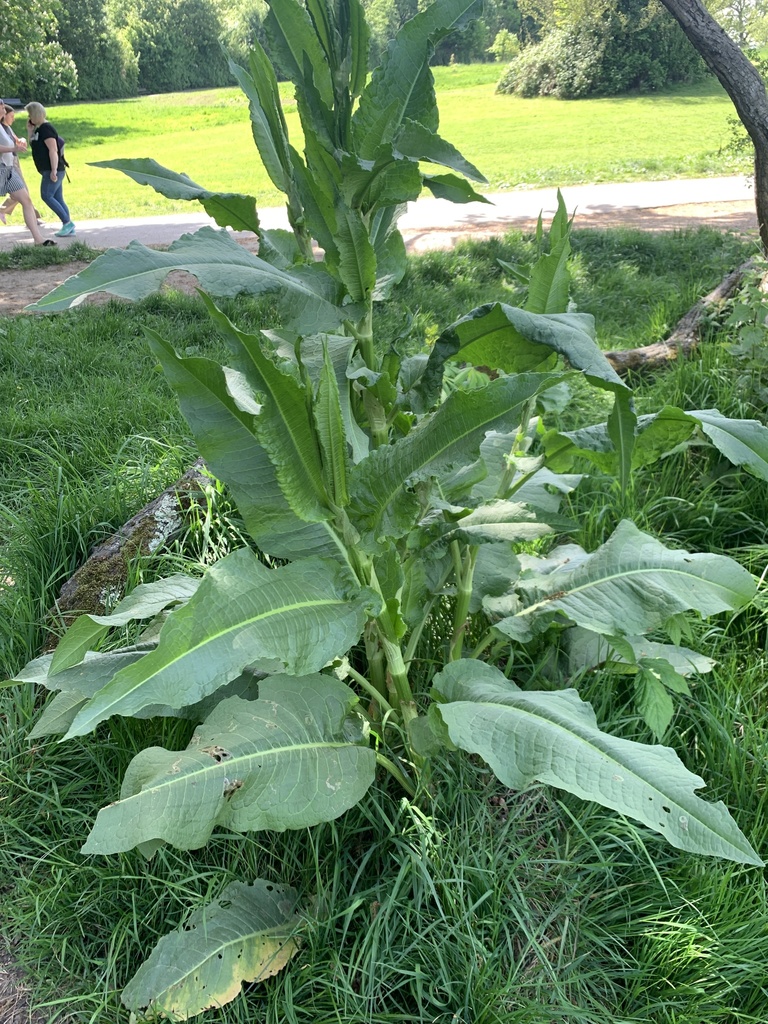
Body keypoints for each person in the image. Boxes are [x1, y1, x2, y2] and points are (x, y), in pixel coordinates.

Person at [0, 105, 53, 246]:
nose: (5, 110)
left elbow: (14, 141)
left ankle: (38, 240)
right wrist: (13, 148)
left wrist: (21, 141)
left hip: (9, 170)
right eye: (2, 107)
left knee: (26, 200)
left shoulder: (4, 127)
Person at [25, 101, 75, 238]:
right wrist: (30, 131)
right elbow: (34, 145)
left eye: (30, 115)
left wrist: (53, 170)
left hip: (53, 169)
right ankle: (69, 226)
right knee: (58, 197)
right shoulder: (39, 130)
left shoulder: (46, 129)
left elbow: (53, 150)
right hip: (49, 170)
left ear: (36, 115)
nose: (29, 118)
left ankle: (67, 223)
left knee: (46, 195)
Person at [0, 105, 44, 226]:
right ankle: (33, 218)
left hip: (13, 160)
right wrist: (14, 147)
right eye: (11, 116)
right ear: (4, 115)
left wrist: (22, 140)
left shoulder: (7, 128)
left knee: (22, 192)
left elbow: (16, 139)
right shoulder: (2, 128)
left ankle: (31, 219)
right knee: (23, 191)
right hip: (7, 164)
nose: (13, 119)